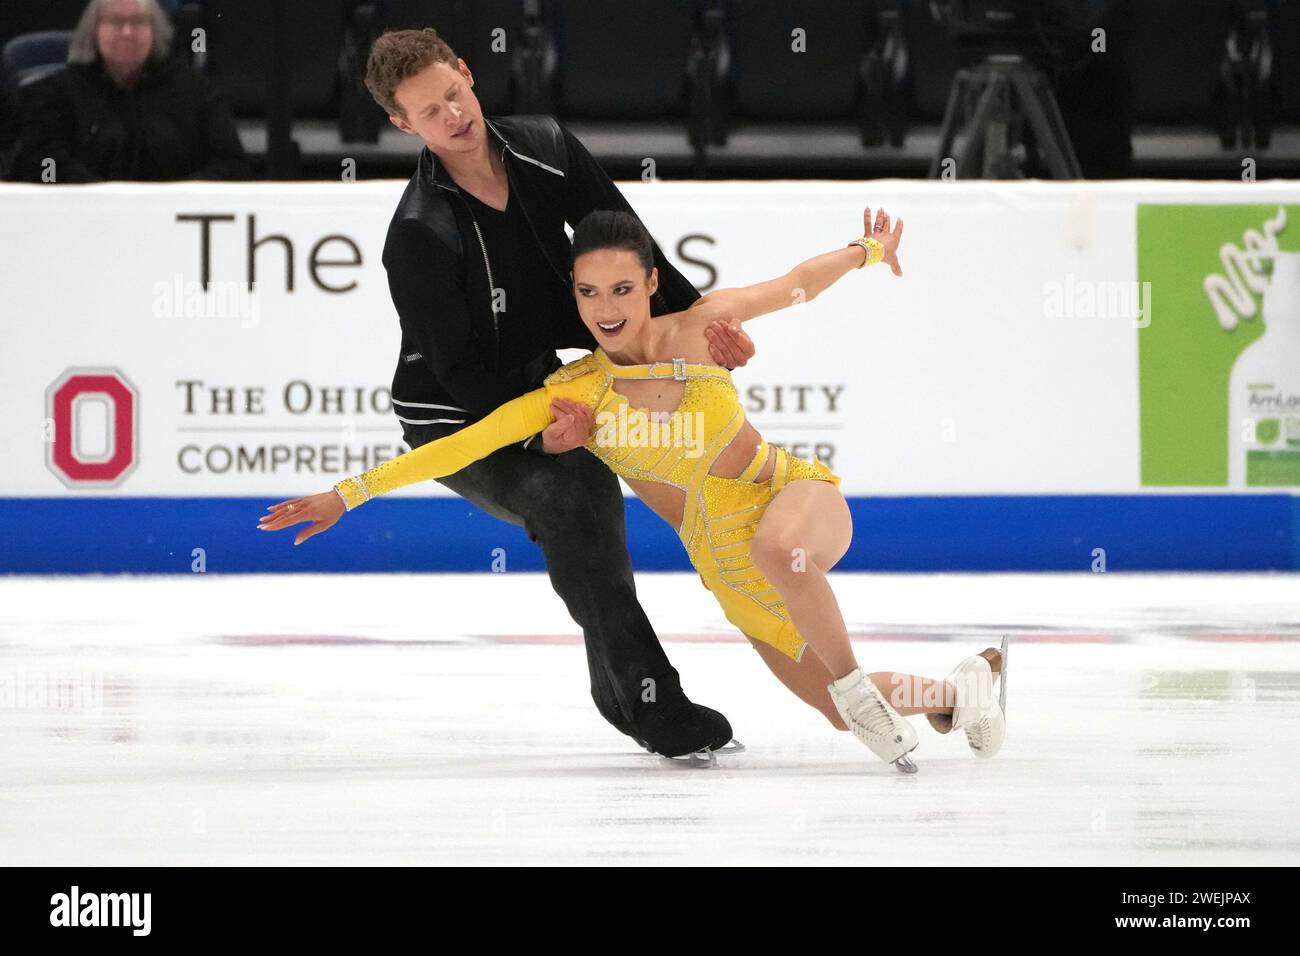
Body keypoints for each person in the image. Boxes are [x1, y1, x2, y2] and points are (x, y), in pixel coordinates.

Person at [259, 204, 1009, 773]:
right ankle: (959, 691)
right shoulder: (575, 394)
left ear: (652, 283)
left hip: (790, 499)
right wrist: (349, 493)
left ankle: (850, 683)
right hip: (725, 568)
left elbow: (794, 285)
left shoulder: (701, 329)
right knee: (841, 716)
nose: (607, 308)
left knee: (782, 553)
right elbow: (463, 444)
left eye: (623, 287)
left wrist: (867, 250)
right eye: (589, 293)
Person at [350, 28, 757, 761]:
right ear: (403, 124)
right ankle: (653, 700)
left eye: (454, 93)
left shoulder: (544, 146)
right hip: (456, 413)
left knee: (592, 502)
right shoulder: (419, 233)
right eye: (430, 111)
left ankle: (624, 691)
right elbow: (457, 371)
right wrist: (538, 437)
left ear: (467, 73)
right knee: (567, 500)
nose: (454, 115)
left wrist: (701, 330)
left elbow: (632, 251)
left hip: (539, 375)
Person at [14, 0, 249, 182]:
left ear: (155, 30)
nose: (127, 32)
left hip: (175, 219)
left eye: (138, 22)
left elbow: (231, 166)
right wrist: (111, 201)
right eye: (115, 21)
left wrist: (170, 200)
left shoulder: (198, 92)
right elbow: (44, 166)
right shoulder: (55, 94)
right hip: (80, 218)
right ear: (93, 30)